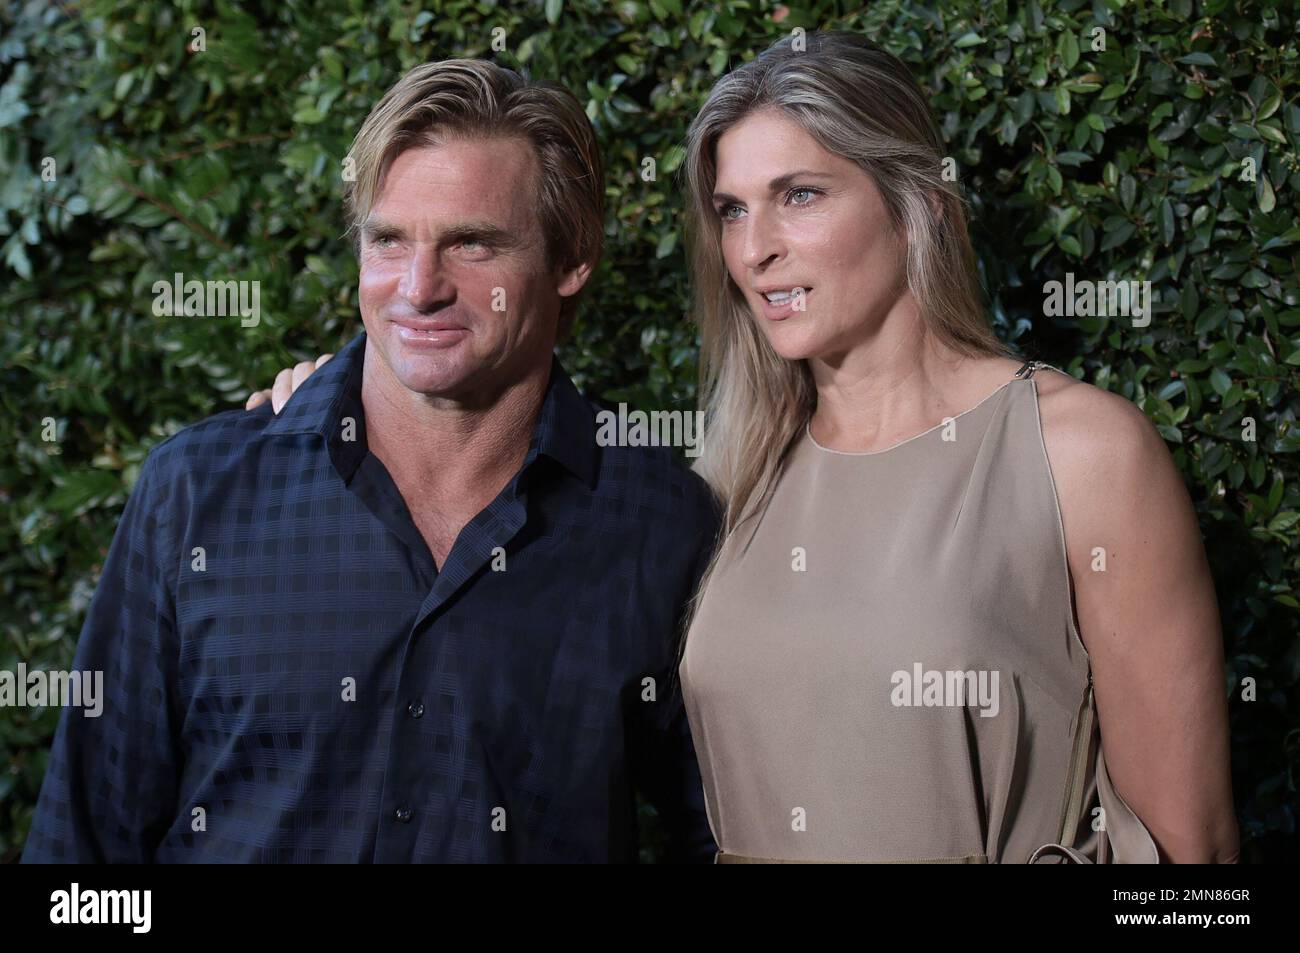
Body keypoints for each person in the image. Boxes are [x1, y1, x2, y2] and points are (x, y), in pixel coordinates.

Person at [250, 33, 1240, 864]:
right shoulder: (725, 484)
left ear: (916, 203)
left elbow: (1194, 861)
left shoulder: (1078, 451)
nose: (753, 246)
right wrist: (345, 404)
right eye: (730, 208)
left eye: (799, 195)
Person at [23, 59, 718, 863]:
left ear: (571, 260)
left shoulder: (659, 520)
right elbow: (80, 862)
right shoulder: (198, 492)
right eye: (388, 239)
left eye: (471, 243)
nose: (418, 288)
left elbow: (722, 837)